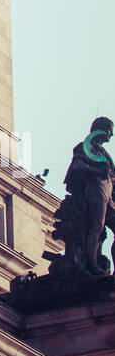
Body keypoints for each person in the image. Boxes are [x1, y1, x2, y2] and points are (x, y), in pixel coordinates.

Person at [60, 117, 115, 277]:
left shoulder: (103, 153)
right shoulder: (86, 146)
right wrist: (97, 171)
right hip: (96, 189)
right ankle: (93, 266)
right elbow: (77, 166)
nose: (111, 135)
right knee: (96, 227)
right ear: (100, 129)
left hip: (108, 193)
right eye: (110, 130)